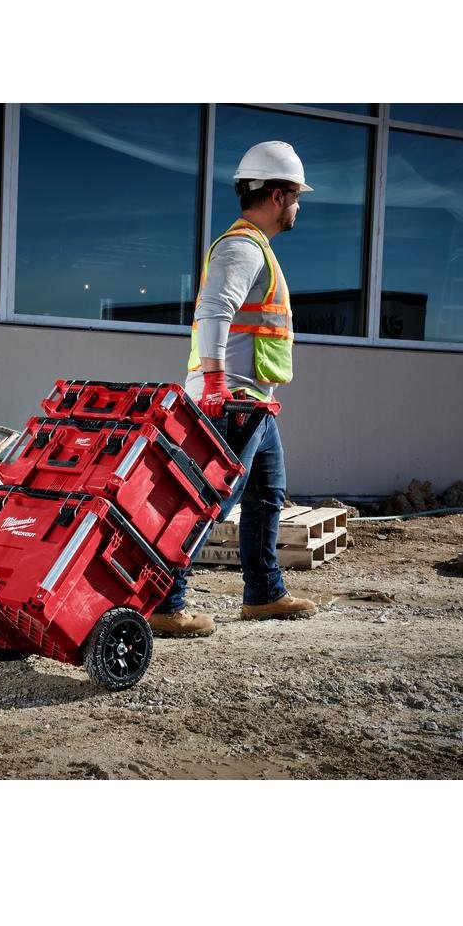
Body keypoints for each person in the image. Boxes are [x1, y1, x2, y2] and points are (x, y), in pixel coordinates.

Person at [150, 141, 319, 638]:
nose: (298, 206)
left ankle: (264, 594)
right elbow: (213, 311)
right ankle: (165, 601)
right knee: (206, 503)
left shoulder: (254, 248)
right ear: (276, 195)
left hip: (253, 402)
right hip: (230, 402)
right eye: (295, 195)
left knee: (268, 495)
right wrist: (217, 386)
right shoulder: (242, 247)